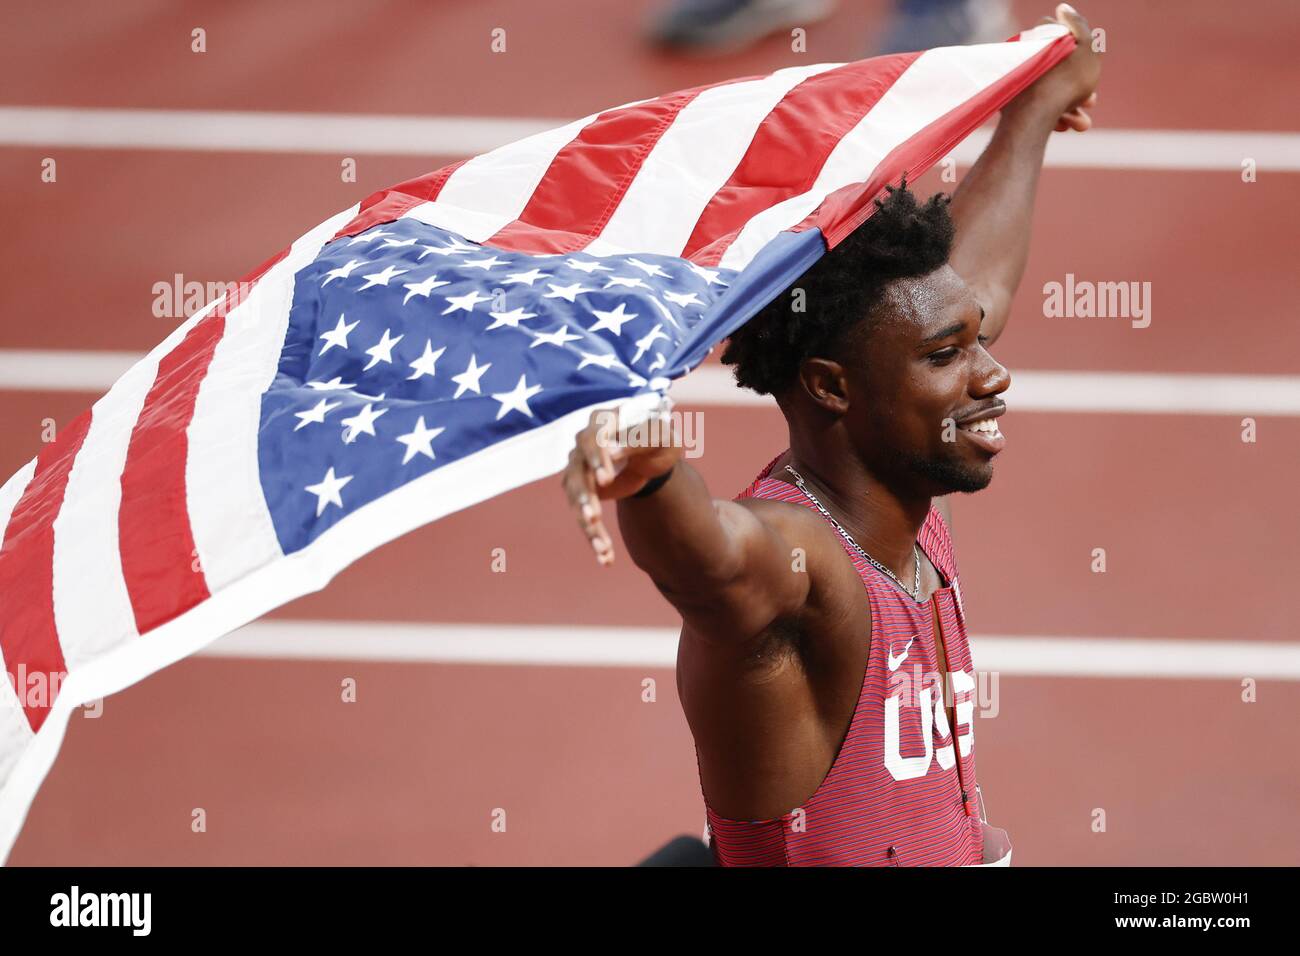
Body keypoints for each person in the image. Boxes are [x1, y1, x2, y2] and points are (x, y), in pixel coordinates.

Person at [563, 5, 1100, 865]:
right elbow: (715, 565)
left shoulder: (898, 485)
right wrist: (651, 477)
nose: (992, 374)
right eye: (948, 355)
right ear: (830, 387)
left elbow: (974, 287)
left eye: (977, 344)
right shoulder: (806, 568)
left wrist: (1033, 111)